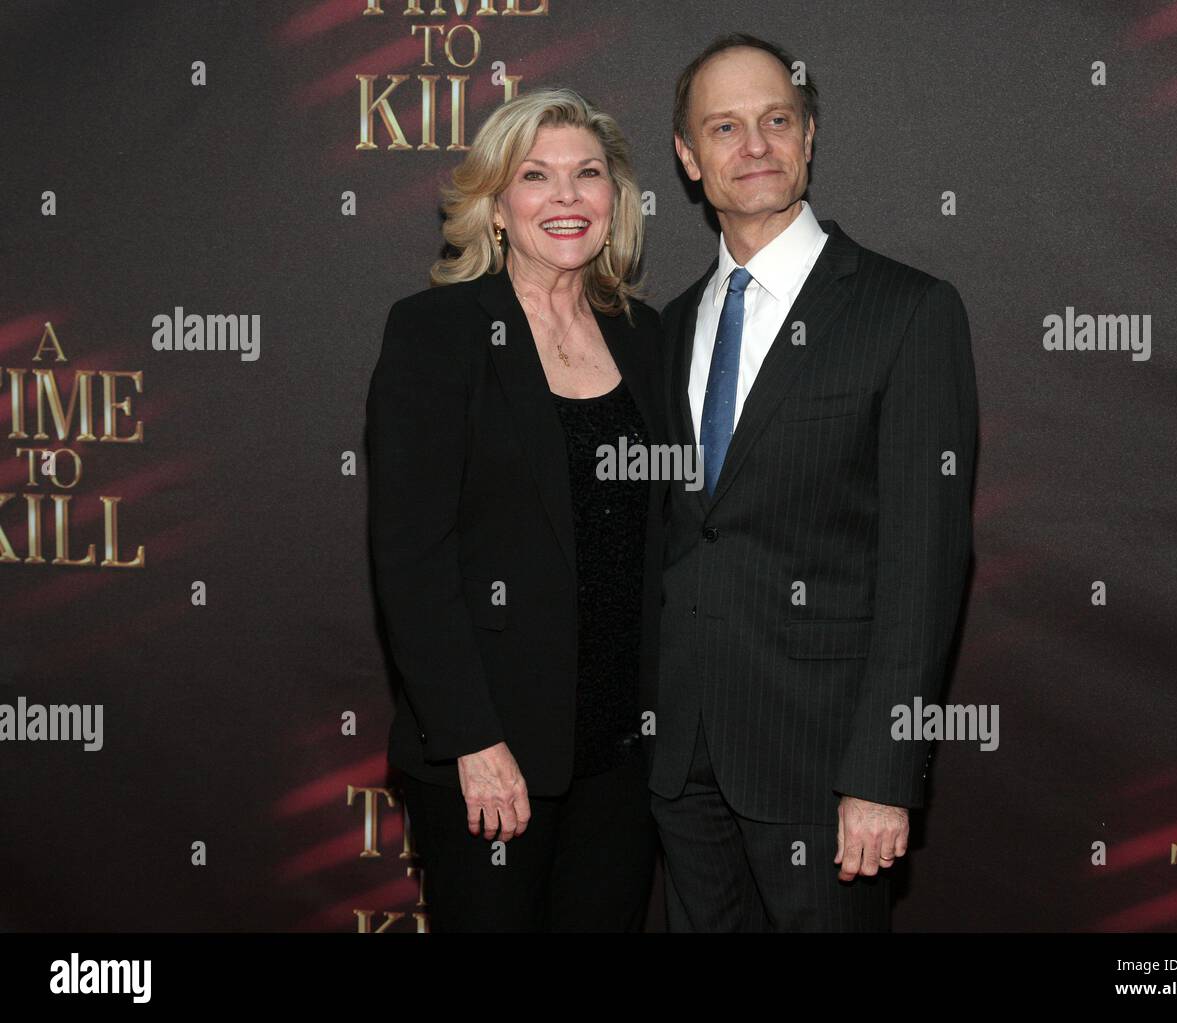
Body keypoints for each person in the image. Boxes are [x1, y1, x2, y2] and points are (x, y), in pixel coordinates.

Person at [650, 33, 979, 931]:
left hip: (825, 769)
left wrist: (882, 771)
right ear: (688, 157)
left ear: (809, 135)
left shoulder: (907, 311)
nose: (752, 145)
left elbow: (927, 565)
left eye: (775, 120)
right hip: (681, 765)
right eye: (723, 127)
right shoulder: (669, 327)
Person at [364, 87, 666, 931]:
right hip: (492, 756)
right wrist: (471, 739)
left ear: (616, 200)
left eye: (588, 175)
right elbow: (411, 558)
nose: (567, 197)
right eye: (536, 176)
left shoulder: (646, 337)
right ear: (497, 207)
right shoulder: (438, 331)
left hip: (624, 756)